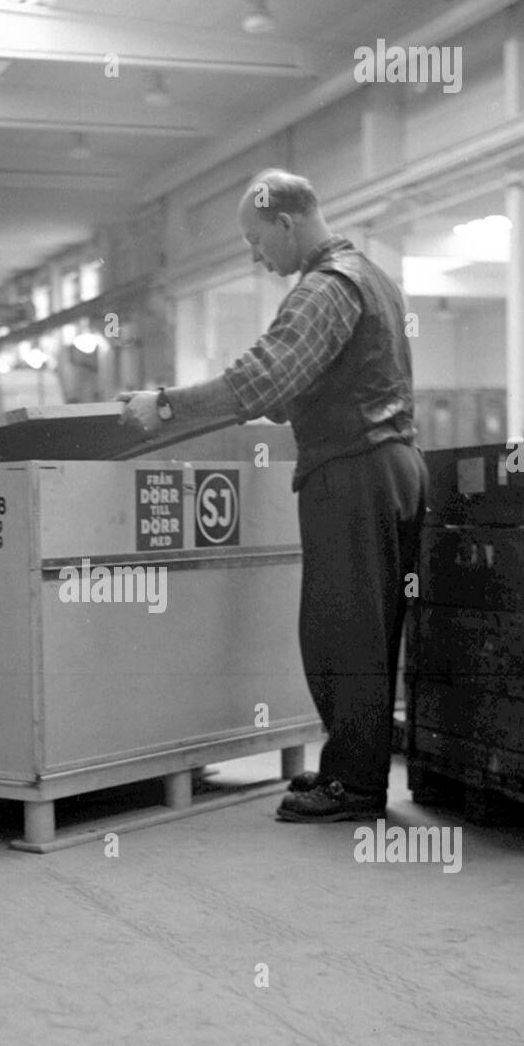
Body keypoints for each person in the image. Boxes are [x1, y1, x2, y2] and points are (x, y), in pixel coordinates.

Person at [119, 168, 427, 823]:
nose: (256, 258)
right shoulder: (372, 278)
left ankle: (354, 787)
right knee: (363, 632)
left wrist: (167, 407)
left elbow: (263, 378)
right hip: (390, 463)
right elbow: (295, 392)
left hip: (354, 468)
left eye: (257, 242)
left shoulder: (326, 287)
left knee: (343, 631)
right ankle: (353, 771)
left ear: (285, 222)